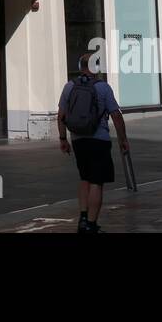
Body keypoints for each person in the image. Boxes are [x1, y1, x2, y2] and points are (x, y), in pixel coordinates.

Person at [58, 53, 128, 234]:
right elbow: (116, 115)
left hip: (78, 140)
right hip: (99, 140)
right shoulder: (103, 88)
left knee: (84, 178)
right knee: (97, 182)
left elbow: (61, 116)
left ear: (80, 66)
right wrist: (123, 140)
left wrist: (63, 139)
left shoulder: (69, 86)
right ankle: (91, 224)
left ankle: (82, 218)